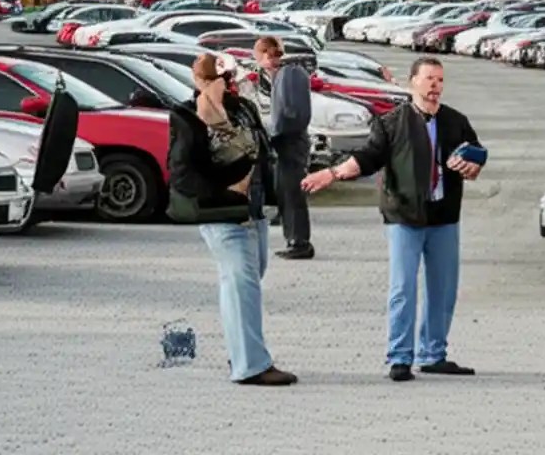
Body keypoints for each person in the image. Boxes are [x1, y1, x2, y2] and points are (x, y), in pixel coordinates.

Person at [302, 57, 484, 382]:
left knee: (443, 289)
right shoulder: (391, 123)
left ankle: (433, 354)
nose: (435, 86)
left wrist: (473, 166)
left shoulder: (456, 121)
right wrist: (332, 173)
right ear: (412, 82)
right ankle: (400, 357)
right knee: (403, 288)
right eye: (429, 79)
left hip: (443, 216)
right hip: (404, 215)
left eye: (440, 80)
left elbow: (474, 154)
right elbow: (367, 158)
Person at [169, 53, 296, 386]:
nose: (223, 84)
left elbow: (263, 149)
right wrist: (227, 193)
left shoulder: (243, 109)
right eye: (212, 79)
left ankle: (240, 352)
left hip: (254, 210)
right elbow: (182, 174)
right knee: (242, 283)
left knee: (244, 282)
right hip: (222, 214)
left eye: (226, 78)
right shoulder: (188, 116)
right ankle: (252, 366)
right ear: (199, 81)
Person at [254, 36, 314, 260]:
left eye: (259, 56)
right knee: (285, 192)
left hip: (291, 142)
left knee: (292, 193)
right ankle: (293, 239)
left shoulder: (289, 74)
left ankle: (300, 242)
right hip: (286, 141)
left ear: (267, 54)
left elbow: (292, 113)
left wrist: (276, 134)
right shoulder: (282, 75)